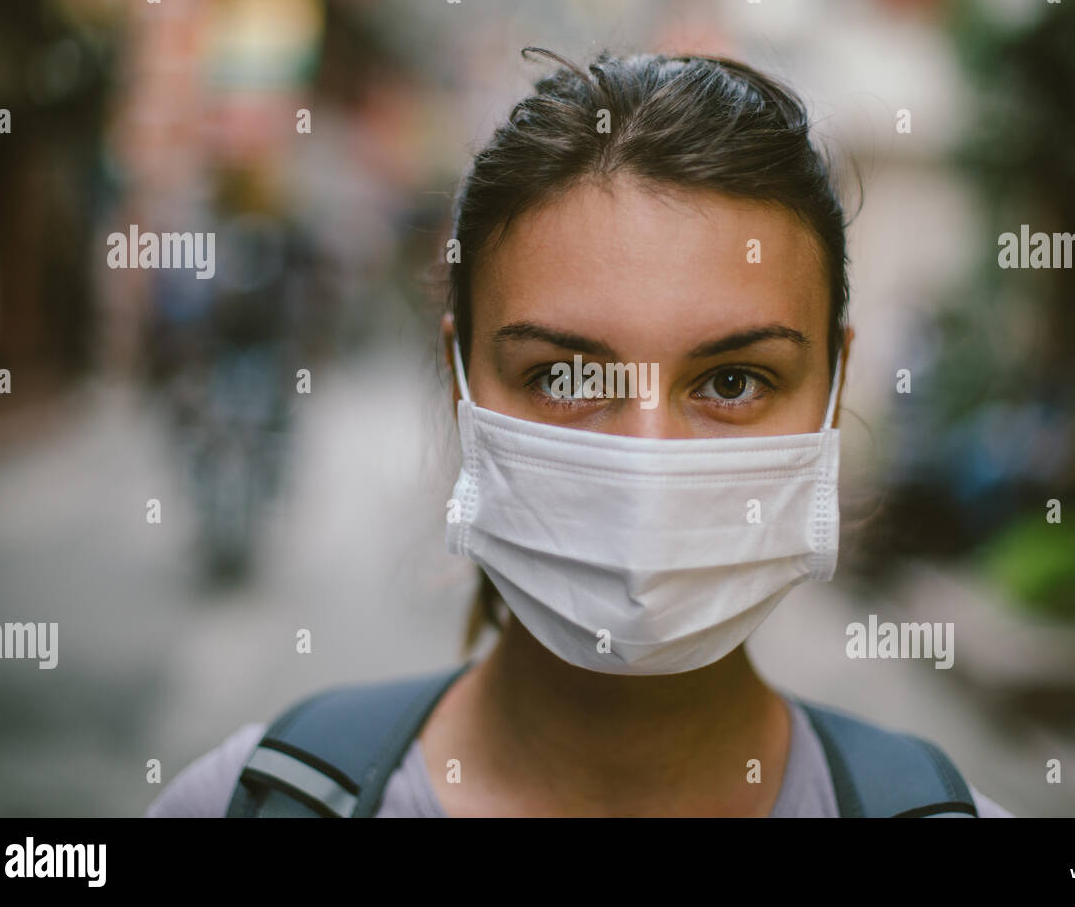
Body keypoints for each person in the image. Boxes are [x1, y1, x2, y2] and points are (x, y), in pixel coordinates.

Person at [146, 47, 1012, 818]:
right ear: (461, 388)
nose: (646, 460)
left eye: (732, 381)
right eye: (565, 378)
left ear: (833, 387)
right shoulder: (250, 802)